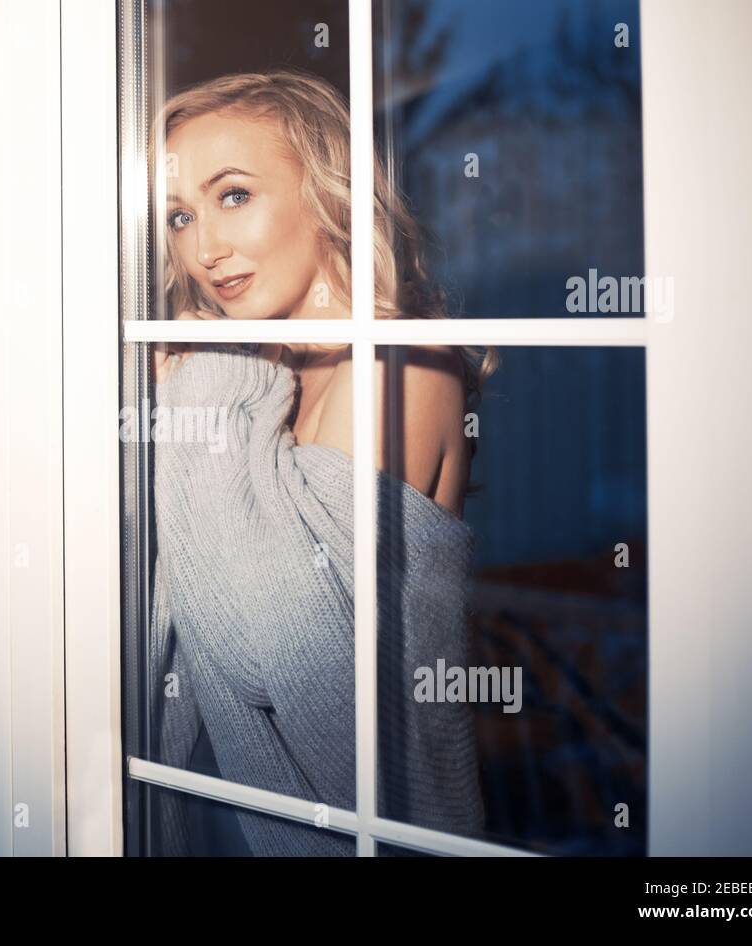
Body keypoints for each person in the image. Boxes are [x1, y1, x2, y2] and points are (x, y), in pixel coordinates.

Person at [148, 69, 497, 855]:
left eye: (233, 195)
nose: (205, 249)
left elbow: (282, 660)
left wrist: (202, 385)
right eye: (179, 214)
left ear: (328, 192)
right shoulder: (263, 370)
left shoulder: (400, 363)